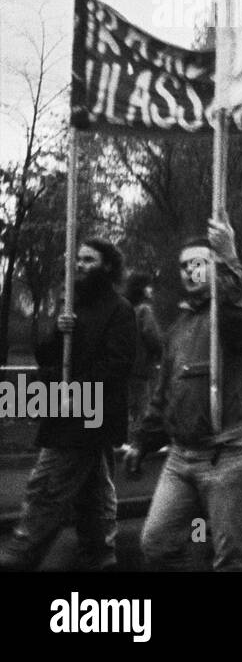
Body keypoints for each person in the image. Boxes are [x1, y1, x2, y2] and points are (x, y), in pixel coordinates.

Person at [124, 219, 242, 571]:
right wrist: (142, 442)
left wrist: (229, 257)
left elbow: (237, 320)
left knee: (231, 557)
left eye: (200, 263)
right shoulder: (180, 326)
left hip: (233, 450)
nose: (190, 271)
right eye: (184, 266)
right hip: (183, 455)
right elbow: (166, 394)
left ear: (216, 267)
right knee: (156, 543)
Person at [0, 238, 137, 571]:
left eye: (88, 260)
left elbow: (117, 365)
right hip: (68, 412)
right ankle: (100, 554)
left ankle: (22, 551)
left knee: (47, 486)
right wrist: (59, 332)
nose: (79, 265)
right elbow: (46, 355)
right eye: (78, 259)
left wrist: (74, 393)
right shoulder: (70, 306)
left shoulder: (120, 310)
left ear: (107, 266)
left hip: (87, 414)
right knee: (93, 491)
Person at [123, 271, 163, 436]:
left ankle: (123, 438)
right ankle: (141, 440)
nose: (152, 290)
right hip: (141, 367)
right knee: (143, 406)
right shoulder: (144, 310)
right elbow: (153, 337)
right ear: (142, 289)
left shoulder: (125, 308)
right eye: (149, 286)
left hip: (125, 366)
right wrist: (161, 353)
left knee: (126, 405)